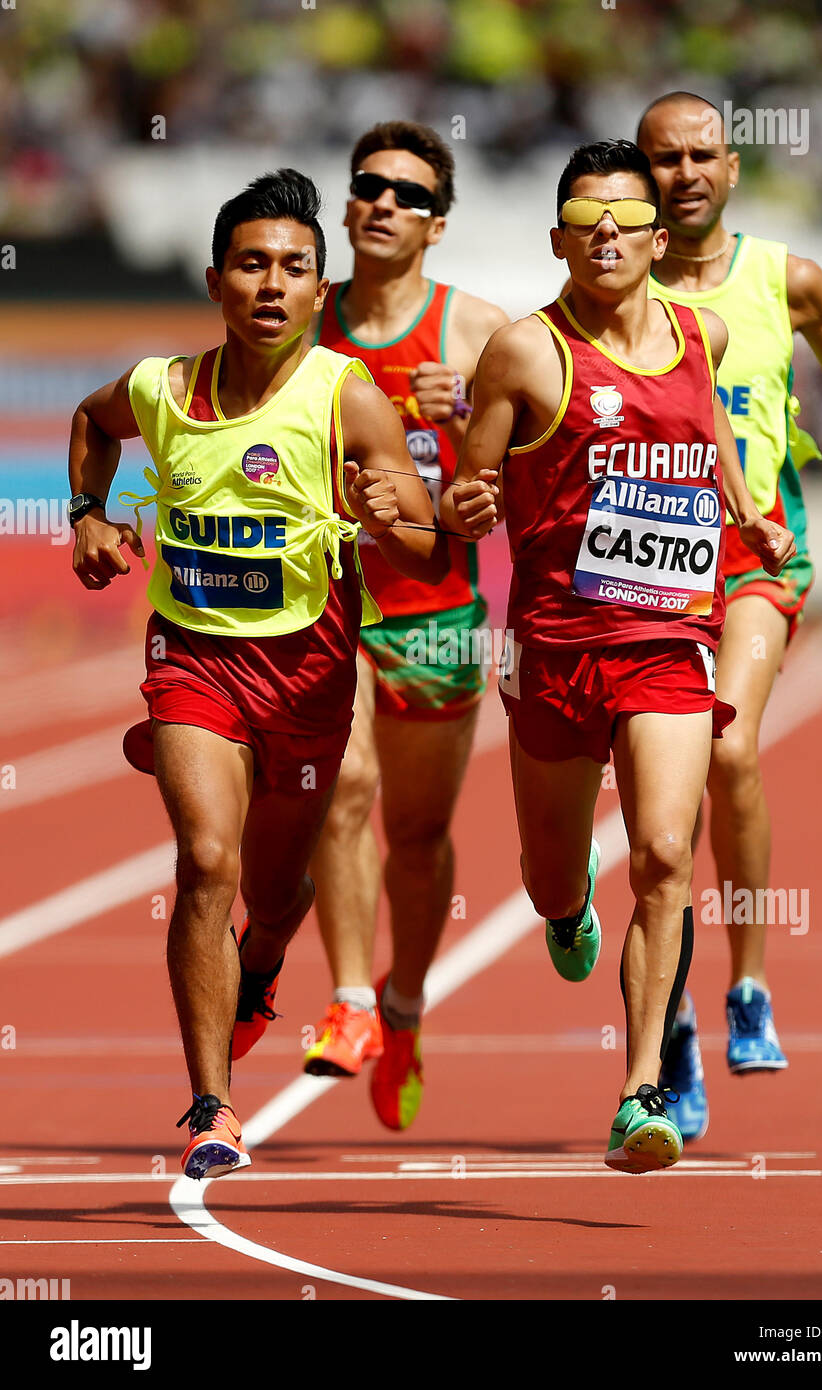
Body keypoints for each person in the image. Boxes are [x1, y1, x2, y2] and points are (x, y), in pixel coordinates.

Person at [67, 168, 445, 1179]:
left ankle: (266, 962)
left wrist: (385, 522)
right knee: (206, 860)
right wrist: (89, 517)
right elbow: (91, 423)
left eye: (294, 268)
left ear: (321, 292)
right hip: (192, 661)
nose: (272, 284)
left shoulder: (346, 399)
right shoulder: (160, 389)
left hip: (310, 677)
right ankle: (209, 1109)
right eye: (251, 265)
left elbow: (424, 541)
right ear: (215, 280)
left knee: (275, 896)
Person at [441, 139, 795, 1173]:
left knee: (666, 856)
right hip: (555, 649)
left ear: (656, 236)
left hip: (668, 638)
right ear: (556, 238)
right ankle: (560, 906)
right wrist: (467, 503)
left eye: (623, 218)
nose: (604, 233)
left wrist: (747, 516)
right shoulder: (522, 352)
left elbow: (707, 442)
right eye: (583, 218)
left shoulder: (705, 334)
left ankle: (639, 1088)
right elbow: (471, 492)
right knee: (556, 876)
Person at [636, 92, 822, 1139]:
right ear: (639, 173)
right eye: (664, 159)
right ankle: (674, 1031)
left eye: (704, 154)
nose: (686, 173)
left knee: (729, 747)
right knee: (662, 830)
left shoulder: (784, 278)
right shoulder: (613, 295)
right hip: (647, 581)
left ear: (733, 169)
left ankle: (748, 983)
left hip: (755, 562)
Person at [299, 121, 508, 1133]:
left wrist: (464, 420)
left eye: (407, 193)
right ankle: (346, 1002)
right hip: (324, 608)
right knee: (340, 791)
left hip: (435, 615)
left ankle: (405, 1004)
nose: (382, 202)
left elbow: (526, 490)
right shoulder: (296, 317)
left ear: (436, 223)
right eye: (367, 185)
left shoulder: (474, 333)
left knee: (415, 838)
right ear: (345, 206)